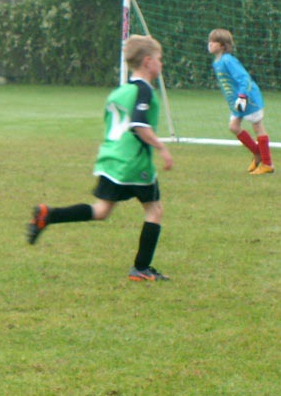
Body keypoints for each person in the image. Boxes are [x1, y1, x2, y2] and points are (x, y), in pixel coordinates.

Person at [27, 34, 173, 282]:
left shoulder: (118, 92)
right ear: (148, 61)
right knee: (154, 209)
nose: (161, 64)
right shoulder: (144, 91)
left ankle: (48, 215)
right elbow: (139, 124)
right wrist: (161, 148)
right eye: (159, 59)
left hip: (110, 160)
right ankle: (141, 268)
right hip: (134, 162)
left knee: (102, 210)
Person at [207, 28, 275, 174]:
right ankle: (258, 154)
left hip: (248, 98)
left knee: (258, 127)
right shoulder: (217, 62)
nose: (210, 44)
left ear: (223, 46)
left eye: (214, 42)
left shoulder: (228, 60)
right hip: (236, 102)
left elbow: (244, 78)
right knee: (233, 127)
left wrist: (242, 96)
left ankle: (268, 164)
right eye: (209, 41)